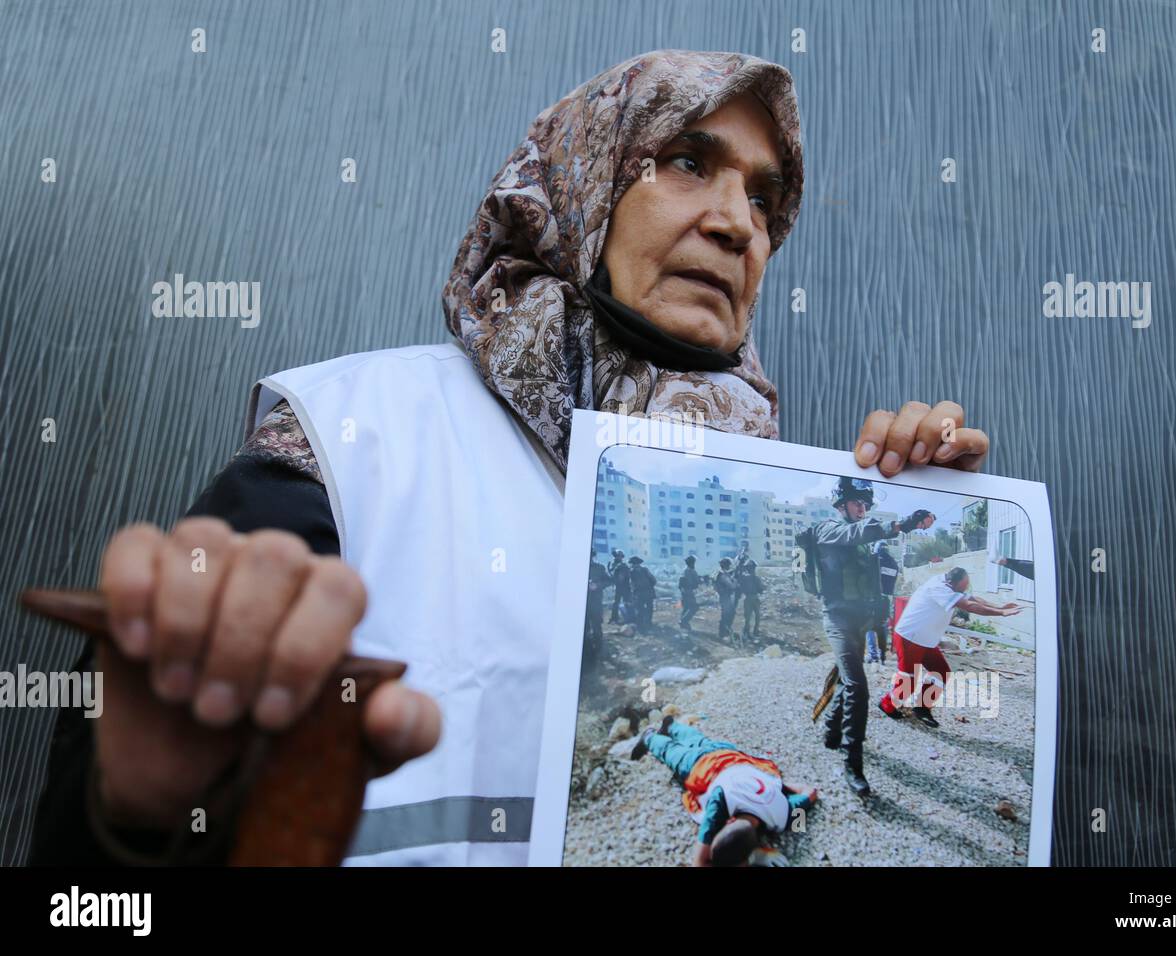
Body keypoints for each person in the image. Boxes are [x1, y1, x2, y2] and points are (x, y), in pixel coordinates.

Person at [28, 49, 989, 867]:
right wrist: (138, 817)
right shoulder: (361, 437)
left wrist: (921, 499)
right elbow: (100, 855)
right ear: (584, 182)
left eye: (766, 198)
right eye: (689, 161)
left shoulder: (789, 482)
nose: (740, 222)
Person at [810, 477, 935, 796]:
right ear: (841, 506)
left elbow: (877, 580)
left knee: (847, 681)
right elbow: (855, 533)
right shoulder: (829, 529)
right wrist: (901, 525)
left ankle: (831, 731)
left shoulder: (863, 539)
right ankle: (853, 765)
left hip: (860, 620)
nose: (862, 509)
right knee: (858, 686)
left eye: (865, 504)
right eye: (856, 503)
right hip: (837, 619)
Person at [630, 716, 817, 866]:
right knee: (671, 751)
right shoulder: (721, 801)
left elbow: (809, 793)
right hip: (701, 764)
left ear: (732, 820)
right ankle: (652, 735)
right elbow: (700, 862)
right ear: (731, 820)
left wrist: (779, 787)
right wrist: (791, 828)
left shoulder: (783, 813)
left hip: (731, 755)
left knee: (699, 741)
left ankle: (671, 725)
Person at [879, 567, 1021, 728]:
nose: (966, 589)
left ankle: (922, 708)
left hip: (926, 639)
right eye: (964, 585)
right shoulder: (938, 589)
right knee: (908, 680)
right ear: (953, 583)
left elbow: (973, 598)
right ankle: (887, 705)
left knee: (940, 672)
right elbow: (969, 605)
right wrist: (1001, 614)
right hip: (910, 637)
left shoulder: (948, 582)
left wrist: (1001, 607)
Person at [867, 541, 900, 664]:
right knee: (883, 626)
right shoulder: (894, 564)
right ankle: (882, 655)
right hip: (886, 599)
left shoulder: (873, 561)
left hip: (872, 598)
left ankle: (872, 655)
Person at [586, 549, 614, 657]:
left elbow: (609, 581)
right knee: (584, 630)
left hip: (595, 602)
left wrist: (597, 586)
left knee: (597, 627)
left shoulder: (599, 568)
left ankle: (598, 650)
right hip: (579, 605)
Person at [713, 558, 740, 644]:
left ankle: (725, 630)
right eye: (728, 565)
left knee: (729, 613)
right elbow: (732, 586)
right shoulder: (723, 576)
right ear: (726, 565)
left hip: (725, 596)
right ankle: (723, 633)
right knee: (727, 614)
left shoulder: (722, 574)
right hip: (725, 597)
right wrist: (735, 581)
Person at [737, 558, 765, 643]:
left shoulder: (745, 578)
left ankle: (748, 632)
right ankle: (753, 631)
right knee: (755, 616)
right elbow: (761, 589)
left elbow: (739, 574)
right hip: (753, 598)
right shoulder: (754, 578)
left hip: (749, 598)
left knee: (749, 617)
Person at [628, 556, 657, 630]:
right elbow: (653, 580)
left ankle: (643, 624)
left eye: (634, 563)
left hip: (642, 593)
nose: (633, 565)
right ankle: (645, 624)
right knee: (644, 609)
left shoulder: (633, 572)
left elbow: (653, 580)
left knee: (644, 609)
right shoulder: (642, 570)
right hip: (644, 593)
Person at [678, 555, 703, 633]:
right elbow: (696, 582)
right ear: (692, 563)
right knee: (694, 607)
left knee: (686, 608)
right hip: (689, 592)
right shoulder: (691, 571)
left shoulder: (684, 570)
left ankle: (683, 624)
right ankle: (683, 621)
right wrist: (702, 580)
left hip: (684, 592)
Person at [607, 550, 632, 625]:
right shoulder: (616, 565)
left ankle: (628, 618)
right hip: (620, 587)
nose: (619, 557)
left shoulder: (621, 565)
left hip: (623, 586)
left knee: (626, 602)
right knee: (618, 603)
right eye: (618, 556)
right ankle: (615, 618)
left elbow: (626, 576)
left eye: (620, 556)